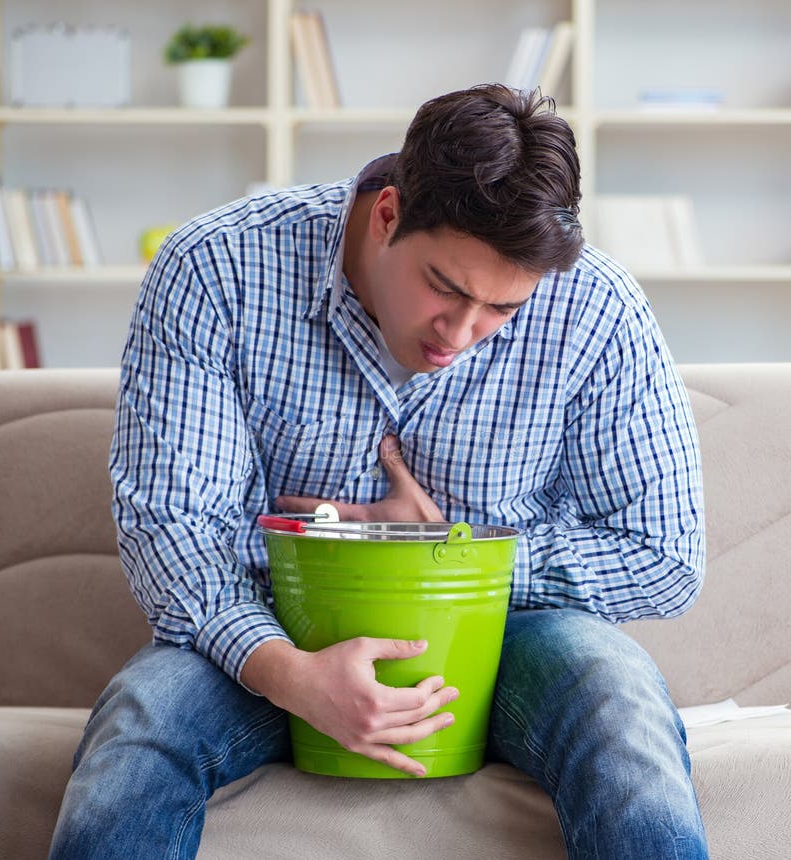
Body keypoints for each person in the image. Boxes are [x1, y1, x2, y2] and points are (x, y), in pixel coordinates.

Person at [49, 84, 709, 859]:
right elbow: (174, 530)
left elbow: (663, 554)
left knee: (620, 705)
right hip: (272, 629)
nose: (462, 334)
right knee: (141, 725)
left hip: (507, 635)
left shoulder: (597, 308)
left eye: (504, 310)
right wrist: (288, 673)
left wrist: (448, 555)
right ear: (389, 213)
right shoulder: (217, 268)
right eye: (446, 288)